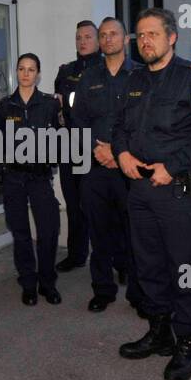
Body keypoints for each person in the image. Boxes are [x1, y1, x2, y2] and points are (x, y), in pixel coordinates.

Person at [111, 8, 191, 380]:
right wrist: (122, 153)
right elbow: (119, 127)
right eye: (140, 36)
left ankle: (187, 342)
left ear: (172, 38)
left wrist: (172, 165)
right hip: (140, 192)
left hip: (177, 192)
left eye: (152, 35)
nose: (145, 41)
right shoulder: (133, 80)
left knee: (183, 269)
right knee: (149, 267)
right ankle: (159, 331)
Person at [70, 17, 145, 314]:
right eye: (103, 35)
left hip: (131, 166)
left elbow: (146, 123)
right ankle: (102, 289)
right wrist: (95, 150)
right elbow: (78, 120)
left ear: (126, 39)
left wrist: (118, 153)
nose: (108, 39)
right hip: (96, 167)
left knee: (136, 232)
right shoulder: (89, 77)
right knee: (98, 231)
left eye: (114, 34)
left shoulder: (141, 75)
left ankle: (138, 292)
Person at [0, 53, 63, 306]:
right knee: (21, 233)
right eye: (21, 69)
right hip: (13, 178)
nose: (26, 74)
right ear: (16, 72)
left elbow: (59, 138)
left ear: (38, 74)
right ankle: (28, 283)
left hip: (39, 178)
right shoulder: (5, 106)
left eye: (31, 69)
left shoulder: (49, 104)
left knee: (48, 230)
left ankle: (47, 283)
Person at [53, 20, 100, 271]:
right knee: (73, 204)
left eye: (88, 37)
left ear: (98, 41)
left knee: (100, 206)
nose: (82, 41)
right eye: (79, 37)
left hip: (96, 149)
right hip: (70, 148)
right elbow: (59, 109)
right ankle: (76, 254)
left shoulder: (105, 70)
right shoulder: (65, 71)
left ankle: (115, 258)